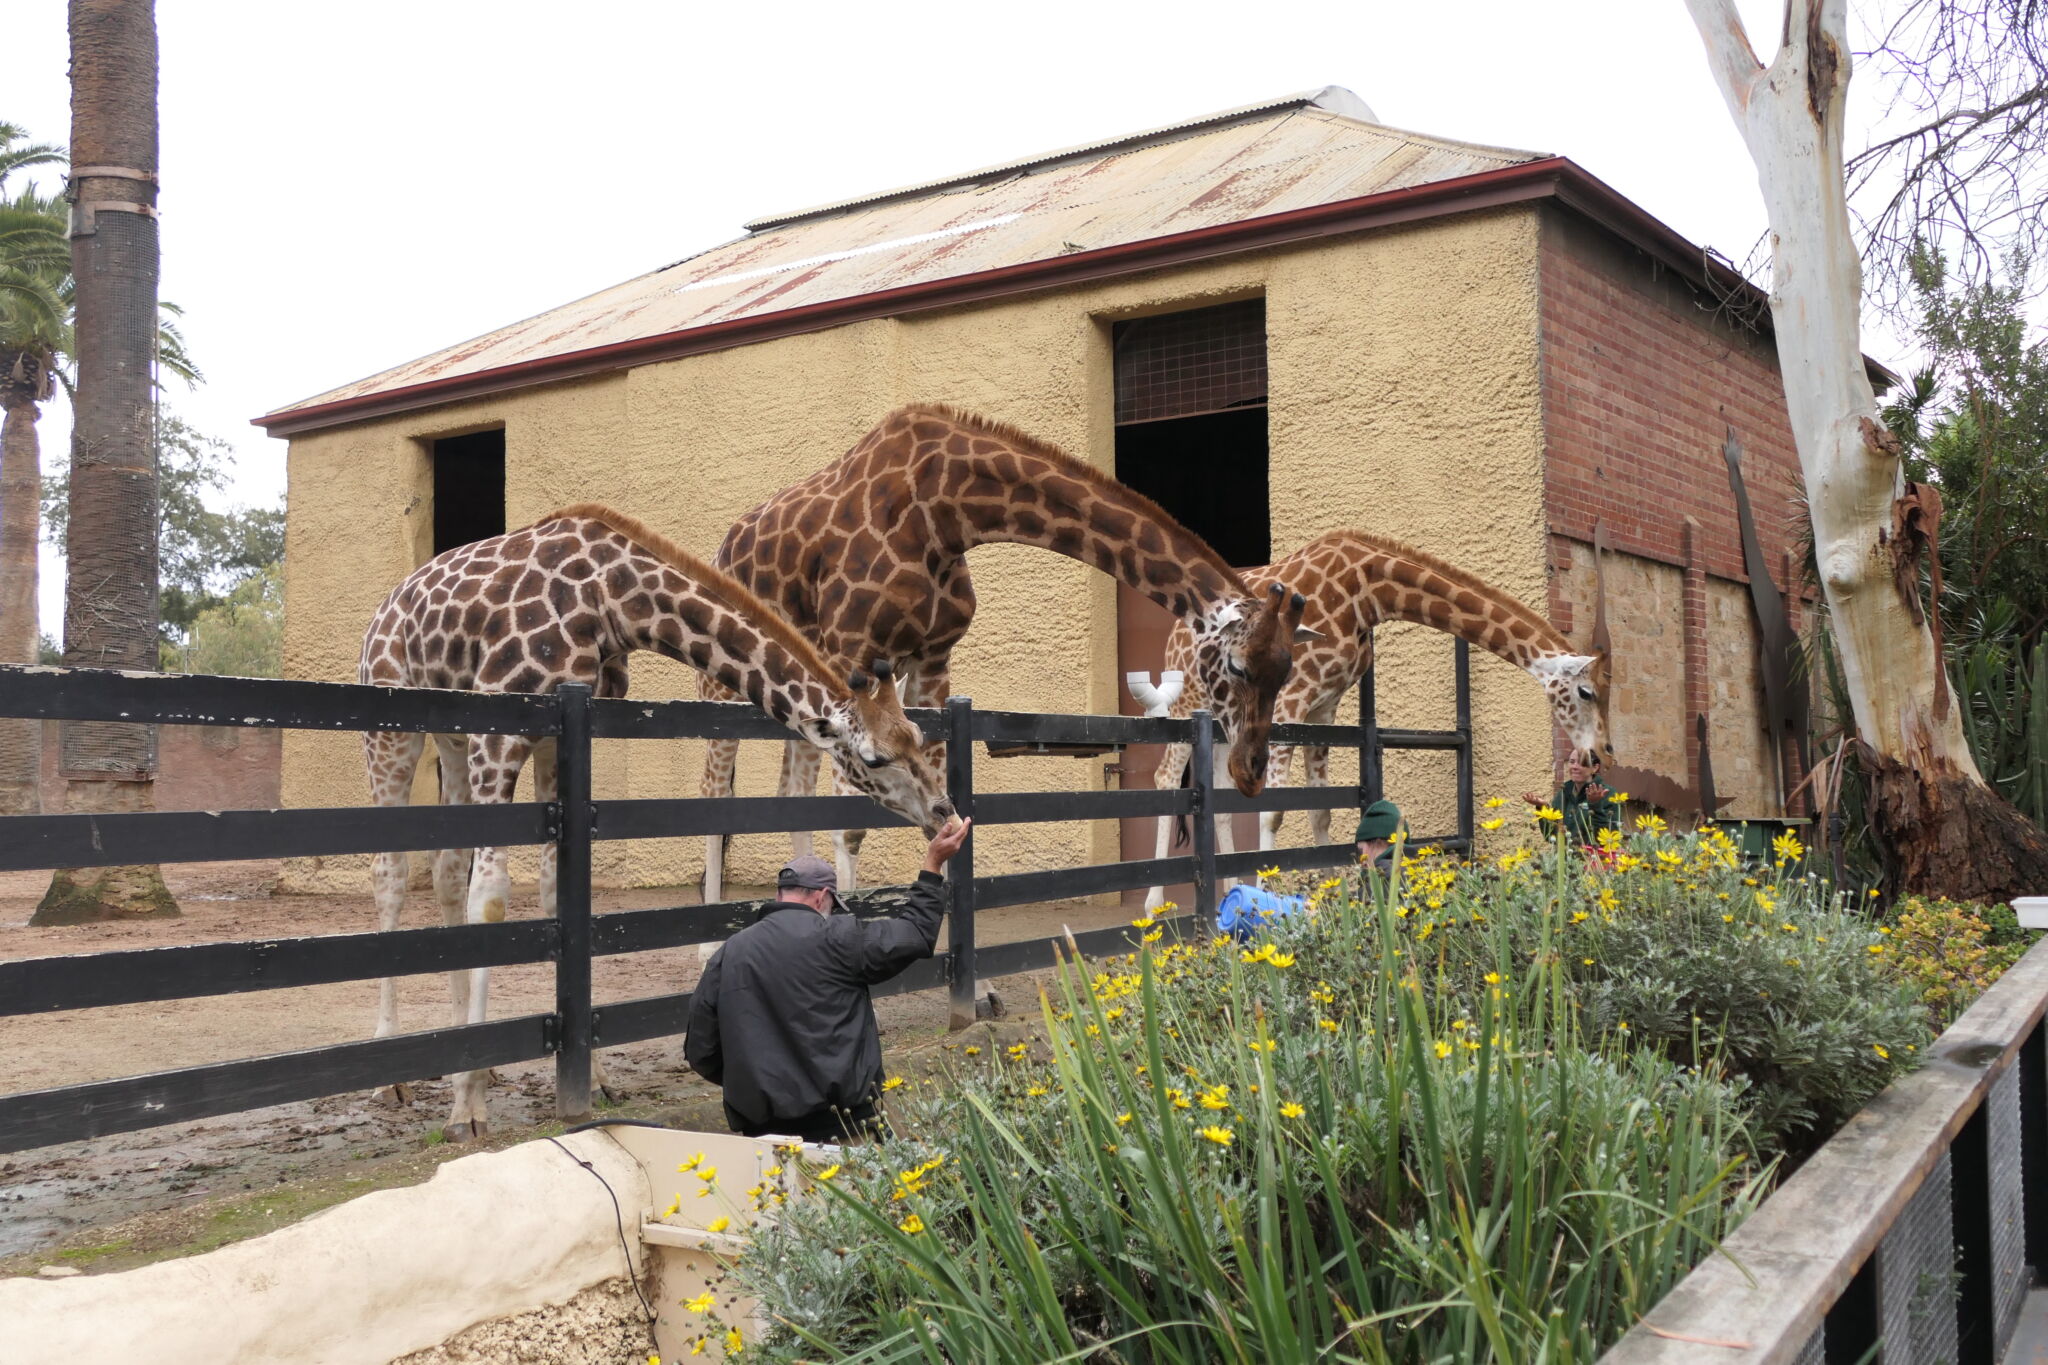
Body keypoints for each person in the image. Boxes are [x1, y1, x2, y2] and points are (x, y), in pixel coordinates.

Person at [685, 820, 972, 1144]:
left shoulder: (728, 954)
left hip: (762, 1143)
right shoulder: (840, 938)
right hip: (844, 1132)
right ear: (823, 896)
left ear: (781, 895)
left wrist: (752, 1081)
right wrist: (932, 865)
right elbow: (915, 934)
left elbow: (701, 1050)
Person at [1524, 753, 1619, 848]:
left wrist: (1595, 805)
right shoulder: (1564, 792)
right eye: (1572, 762)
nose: (1575, 767)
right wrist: (1543, 808)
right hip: (1565, 860)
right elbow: (1551, 836)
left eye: (1581, 763)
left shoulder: (1607, 793)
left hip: (1593, 860)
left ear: (1594, 768)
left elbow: (1608, 839)